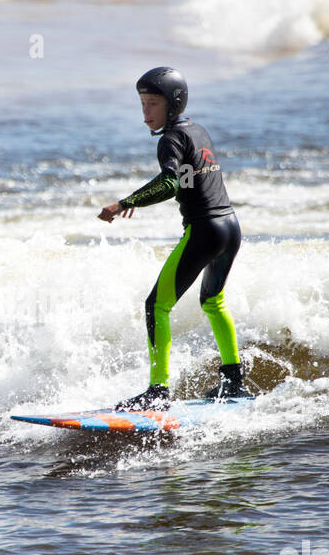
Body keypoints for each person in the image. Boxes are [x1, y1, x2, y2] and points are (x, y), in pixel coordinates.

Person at [99, 66, 252, 409]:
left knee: (156, 306)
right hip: (230, 226)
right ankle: (233, 382)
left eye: (152, 104)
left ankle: (157, 391)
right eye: (142, 104)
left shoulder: (171, 139)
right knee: (213, 302)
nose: (145, 113)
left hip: (205, 231)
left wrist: (125, 203)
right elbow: (187, 180)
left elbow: (171, 183)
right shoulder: (197, 131)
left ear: (173, 104)